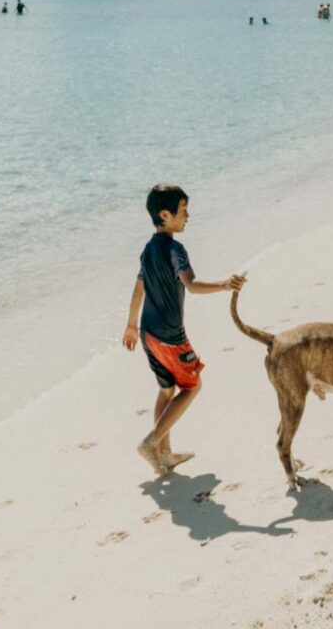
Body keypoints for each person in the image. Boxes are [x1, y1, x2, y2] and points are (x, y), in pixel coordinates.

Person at [122, 183, 246, 475]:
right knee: (192, 386)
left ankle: (163, 454)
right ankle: (152, 442)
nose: (188, 216)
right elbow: (191, 285)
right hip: (170, 336)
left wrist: (130, 325)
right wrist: (225, 285)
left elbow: (139, 288)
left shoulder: (147, 249)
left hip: (147, 333)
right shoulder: (175, 249)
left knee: (166, 390)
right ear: (165, 215)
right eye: (183, 211)